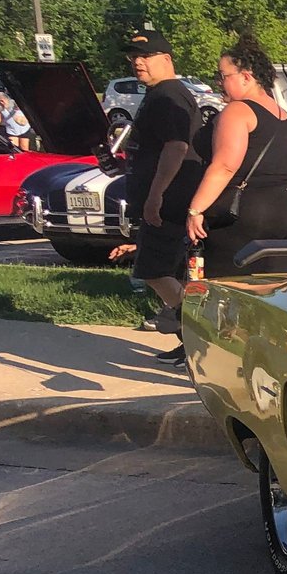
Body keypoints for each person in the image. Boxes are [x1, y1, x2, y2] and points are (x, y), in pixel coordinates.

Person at [178, 35, 287, 343]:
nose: (219, 83)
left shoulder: (238, 111)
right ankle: (271, 352)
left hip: (253, 210)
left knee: (231, 291)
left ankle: (234, 355)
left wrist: (195, 209)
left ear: (246, 76)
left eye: (223, 75)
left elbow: (225, 164)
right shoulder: (283, 116)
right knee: (273, 292)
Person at [110, 26, 203, 343]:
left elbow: (177, 147)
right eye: (134, 56)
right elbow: (154, 149)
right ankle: (188, 341)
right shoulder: (160, 94)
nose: (138, 62)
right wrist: (122, 165)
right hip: (164, 197)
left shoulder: (168, 95)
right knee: (169, 271)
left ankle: (197, 329)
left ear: (166, 58)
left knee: (153, 269)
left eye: (146, 56)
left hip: (168, 201)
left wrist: (156, 196)